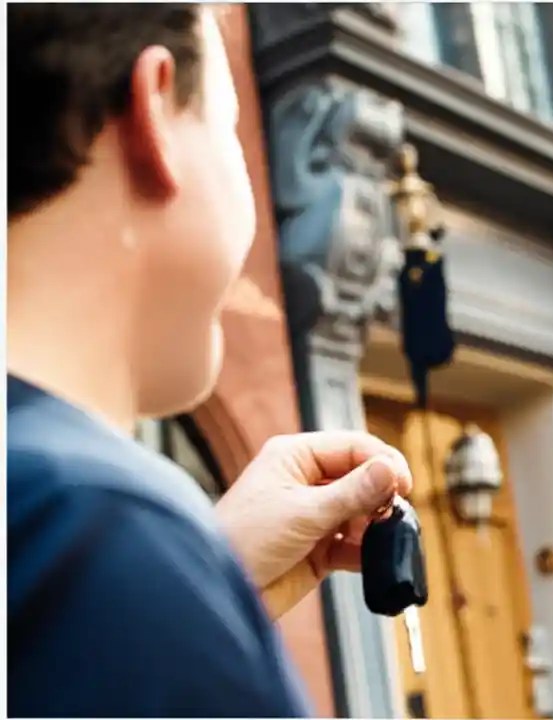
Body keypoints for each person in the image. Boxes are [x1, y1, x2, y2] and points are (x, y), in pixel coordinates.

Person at [8, 5, 413, 716]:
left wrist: (209, 573)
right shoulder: (100, 526)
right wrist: (166, 578)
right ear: (156, 110)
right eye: (228, 128)